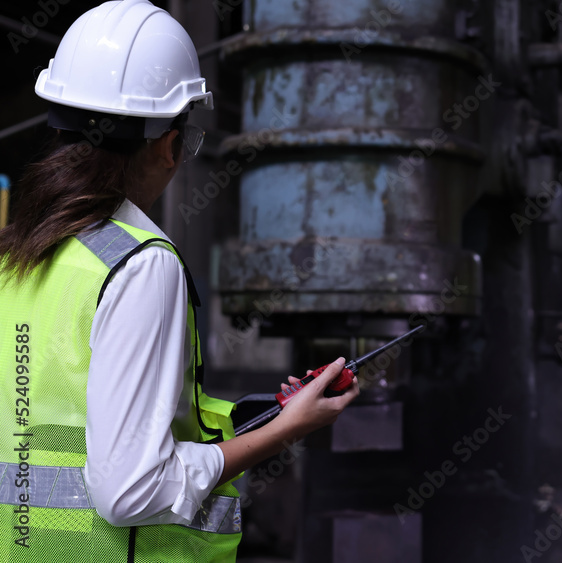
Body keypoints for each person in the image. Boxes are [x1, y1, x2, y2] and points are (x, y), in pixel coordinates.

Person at [0, 1, 359, 560]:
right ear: (169, 144)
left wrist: (242, 418)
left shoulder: (14, 257)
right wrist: (283, 432)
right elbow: (130, 491)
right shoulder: (138, 264)